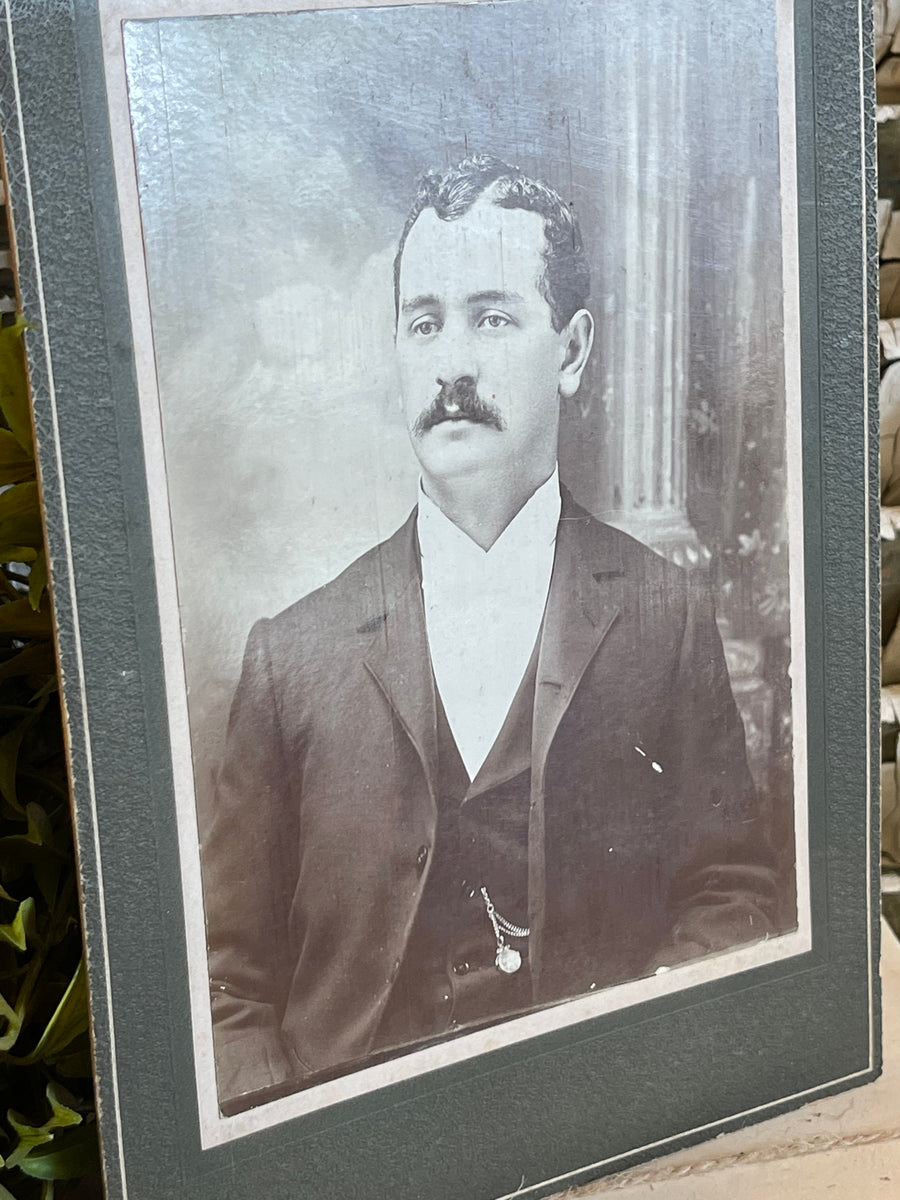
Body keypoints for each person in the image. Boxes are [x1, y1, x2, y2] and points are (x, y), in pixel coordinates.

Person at [203, 154, 790, 1115]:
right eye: (424, 322)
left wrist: (638, 1087)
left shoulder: (661, 615)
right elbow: (228, 982)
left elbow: (727, 894)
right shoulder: (291, 655)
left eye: (493, 316)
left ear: (571, 349)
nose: (452, 362)